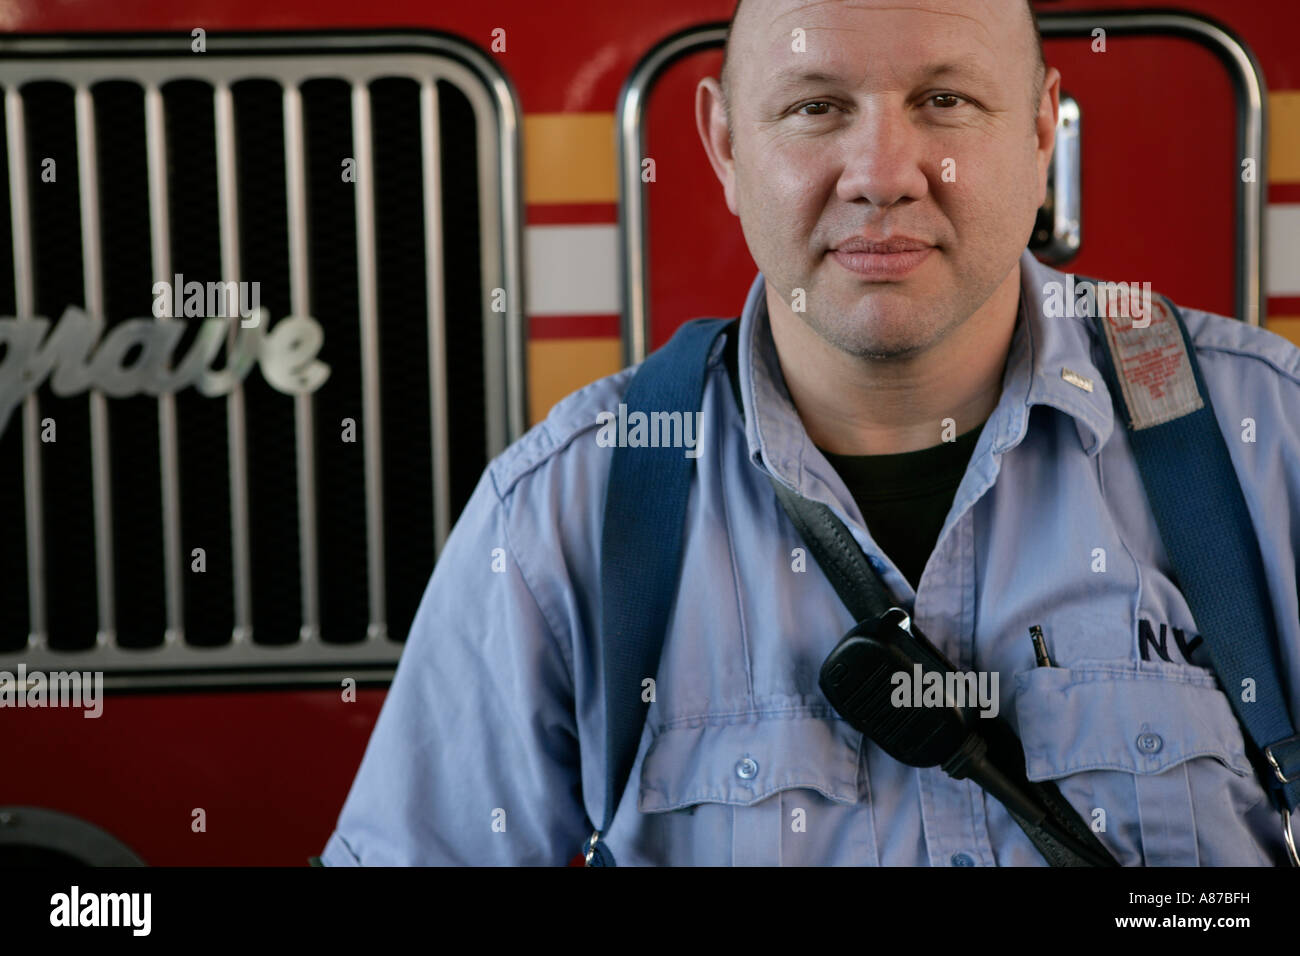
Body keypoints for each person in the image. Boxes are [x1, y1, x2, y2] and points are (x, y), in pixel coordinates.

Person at [320, 0, 1300, 865]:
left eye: (945, 100)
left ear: (1043, 129)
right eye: (815, 107)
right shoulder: (557, 519)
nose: (880, 175)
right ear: (724, 145)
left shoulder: (1269, 443)